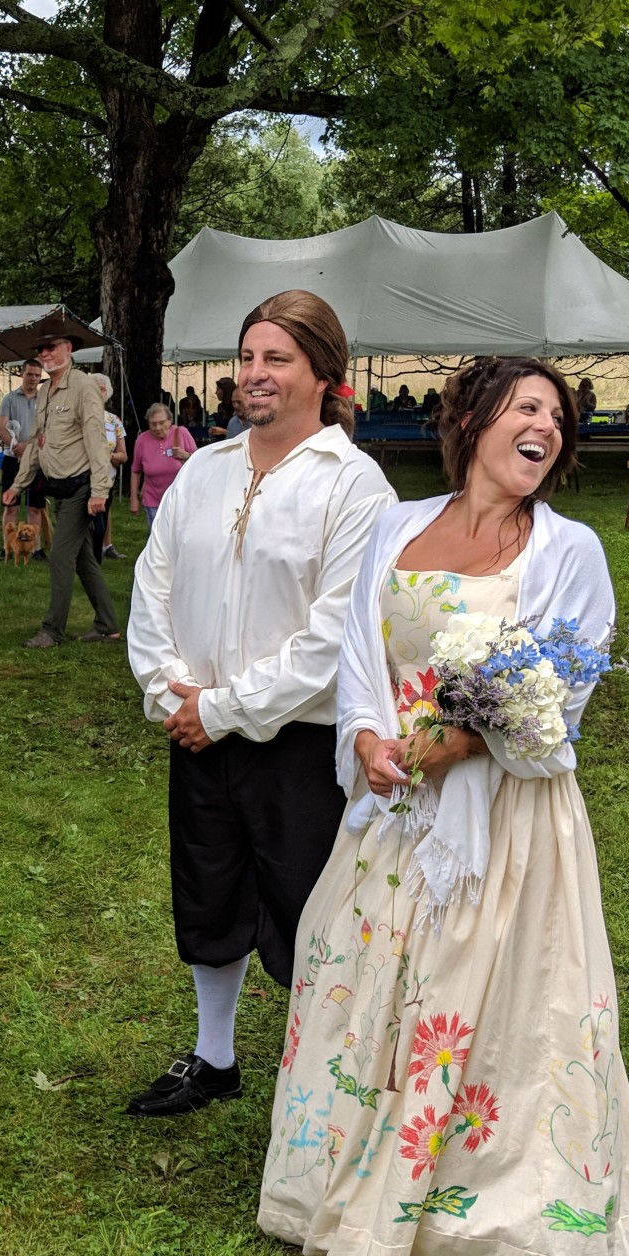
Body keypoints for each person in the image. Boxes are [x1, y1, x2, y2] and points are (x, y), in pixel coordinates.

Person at [259, 355, 629, 1256]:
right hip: (394, 811)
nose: (548, 427)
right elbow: (361, 656)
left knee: (491, 1006)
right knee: (368, 978)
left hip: (507, 820)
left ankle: (467, 1217)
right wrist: (369, 738)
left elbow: (562, 687)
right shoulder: (399, 526)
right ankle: (347, 1181)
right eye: (529, 408)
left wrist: (459, 742)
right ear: (475, 420)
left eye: (558, 417)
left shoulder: (569, 550)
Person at [125, 290, 394, 1117]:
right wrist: (168, 689)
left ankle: (325, 1080)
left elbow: (334, 637)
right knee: (209, 894)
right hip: (196, 729)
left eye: (277, 358)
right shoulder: (204, 470)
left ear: (323, 374)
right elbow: (152, 584)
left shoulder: (355, 485)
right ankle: (215, 1058)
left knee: (309, 909)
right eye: (248, 357)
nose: (255, 373)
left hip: (297, 742)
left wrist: (225, 708)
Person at [2, 335, 120, 648]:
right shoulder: (45, 391)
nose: (45, 354)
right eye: (40, 349)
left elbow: (97, 439)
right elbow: (35, 442)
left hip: (82, 487)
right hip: (61, 488)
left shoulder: (83, 386)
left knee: (60, 557)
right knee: (83, 560)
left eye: (51, 347)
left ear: (68, 349)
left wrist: (99, 491)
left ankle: (52, 631)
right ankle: (108, 625)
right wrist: (17, 485)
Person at [0, 360, 49, 558]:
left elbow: (48, 430)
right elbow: (1, 428)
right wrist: (16, 447)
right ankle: (8, 547)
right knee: (11, 506)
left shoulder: (45, 401)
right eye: (30, 374)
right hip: (12, 458)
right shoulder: (9, 399)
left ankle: (35, 548)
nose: (34, 379)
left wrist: (27, 448)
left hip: (36, 460)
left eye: (37, 375)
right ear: (22, 374)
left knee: (35, 507)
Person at [129, 402, 195, 527]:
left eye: (162, 422)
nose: (158, 427)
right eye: (153, 424)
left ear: (170, 421)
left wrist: (187, 455)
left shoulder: (182, 433)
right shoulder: (142, 440)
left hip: (181, 499)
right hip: (153, 500)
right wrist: (134, 498)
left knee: (179, 535)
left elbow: (199, 461)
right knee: (157, 536)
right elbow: (136, 470)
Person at [94, 376, 128, 560]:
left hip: (107, 479)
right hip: (84, 478)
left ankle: (104, 548)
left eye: (102, 389)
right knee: (92, 523)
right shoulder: (78, 417)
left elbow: (123, 455)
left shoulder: (113, 420)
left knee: (103, 516)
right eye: (94, 388)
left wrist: (111, 456)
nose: (98, 392)